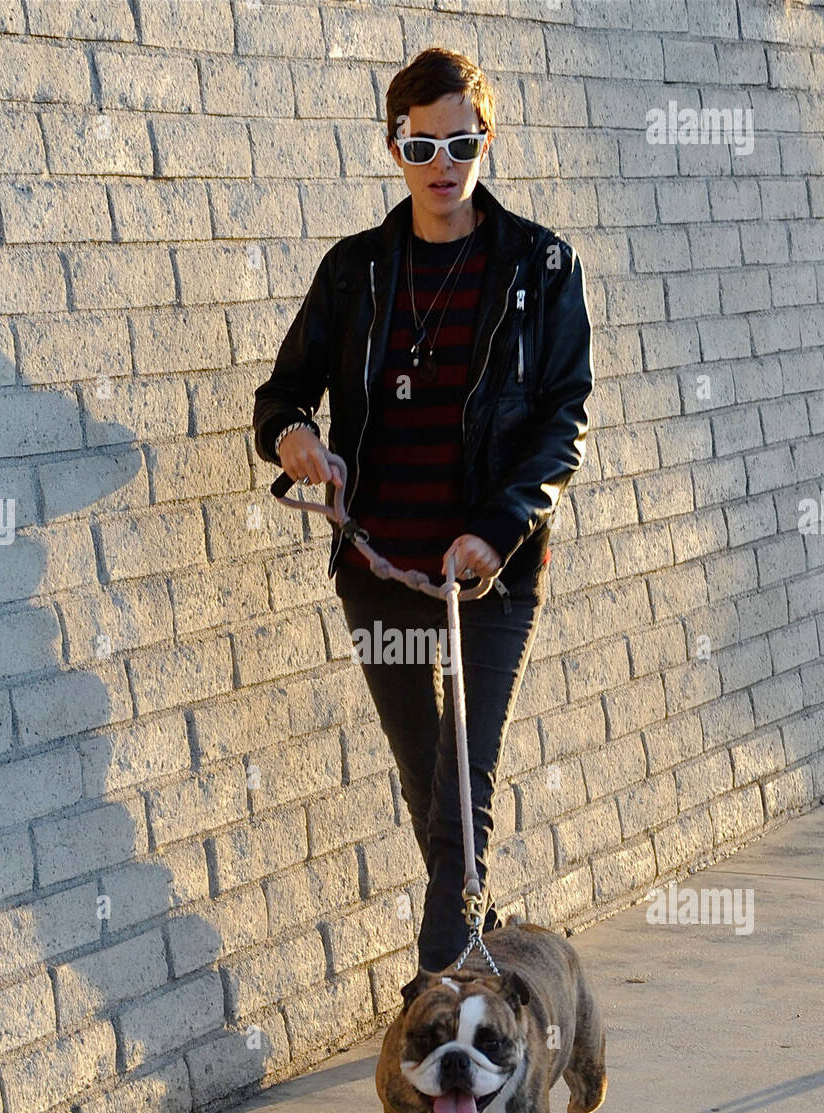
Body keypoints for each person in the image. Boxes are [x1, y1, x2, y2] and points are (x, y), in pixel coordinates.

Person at [253, 48, 593, 972]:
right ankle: (482, 956)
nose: (443, 163)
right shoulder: (356, 271)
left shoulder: (542, 268)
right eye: (421, 144)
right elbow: (281, 397)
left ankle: (438, 1011)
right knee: (427, 785)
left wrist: (499, 525)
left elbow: (566, 420)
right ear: (393, 145)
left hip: (487, 575)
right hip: (380, 570)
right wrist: (292, 439)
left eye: (462, 142)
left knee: (459, 795)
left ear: (487, 141)